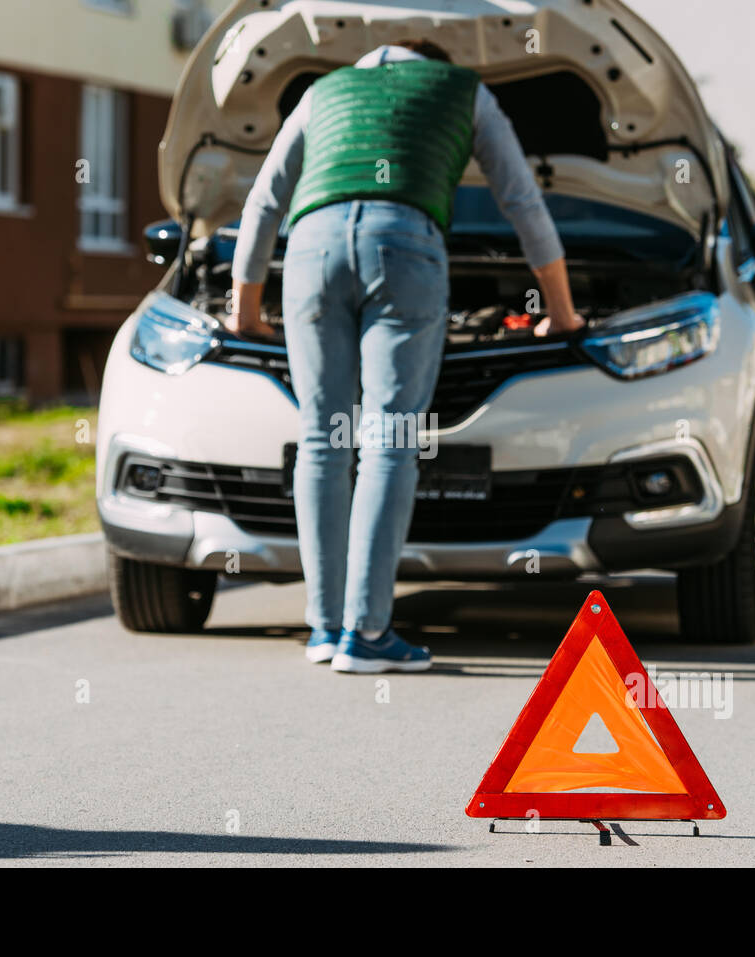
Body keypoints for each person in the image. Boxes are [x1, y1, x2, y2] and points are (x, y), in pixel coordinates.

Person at [227, 40, 583, 674]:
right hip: (402, 245)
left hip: (308, 251)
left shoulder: (323, 91)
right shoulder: (462, 89)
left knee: (321, 437)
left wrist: (245, 309)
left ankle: (324, 628)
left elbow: (263, 201)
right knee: (389, 437)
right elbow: (522, 201)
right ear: (434, 62)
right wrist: (559, 308)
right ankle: (367, 634)